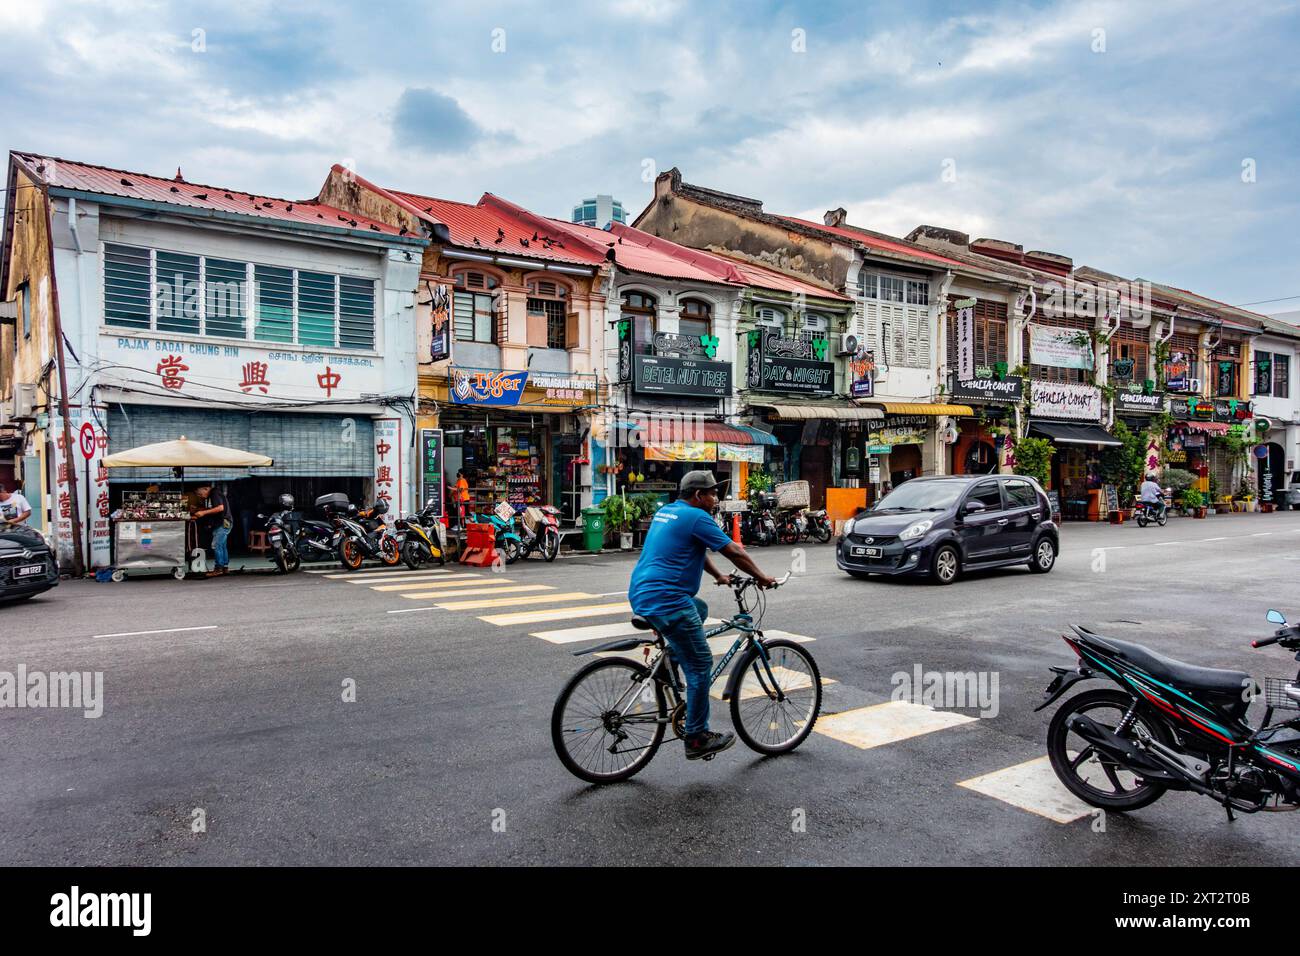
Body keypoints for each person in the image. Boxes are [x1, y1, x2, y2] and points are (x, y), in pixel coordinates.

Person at [628, 470, 778, 762]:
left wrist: (719, 575)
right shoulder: (698, 517)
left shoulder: (671, 512)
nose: (716, 498)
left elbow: (696, 548)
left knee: (700, 609)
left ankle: (671, 656)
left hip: (642, 593)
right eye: (712, 493)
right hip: (668, 601)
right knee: (700, 665)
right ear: (699, 496)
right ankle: (697, 737)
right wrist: (761, 577)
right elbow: (733, 550)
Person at [191, 482, 232, 577]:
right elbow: (213, 508)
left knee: (216, 545)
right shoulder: (212, 495)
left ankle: (219, 568)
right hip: (222, 523)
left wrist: (204, 513)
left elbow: (220, 508)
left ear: (206, 489)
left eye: (200, 493)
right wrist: (198, 509)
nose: (200, 496)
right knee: (222, 545)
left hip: (223, 523)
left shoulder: (214, 493)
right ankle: (224, 567)